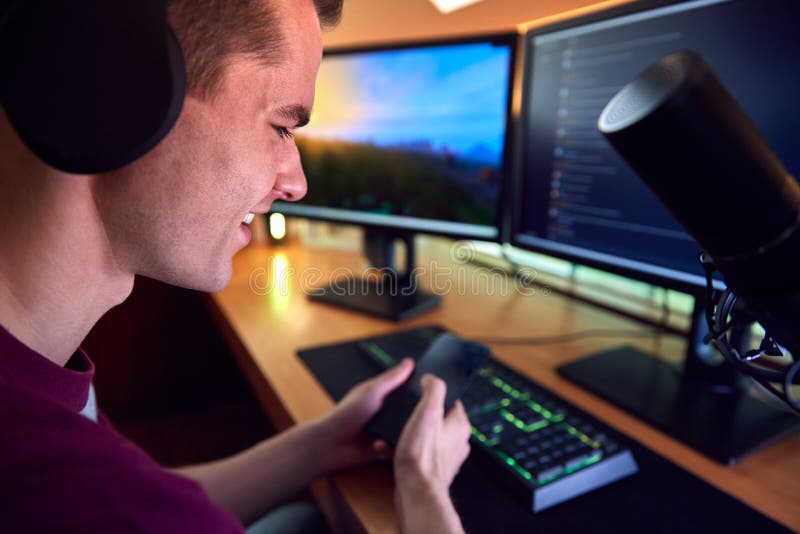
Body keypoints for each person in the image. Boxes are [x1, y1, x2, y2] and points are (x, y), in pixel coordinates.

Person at [0, 0, 472, 532]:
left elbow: (153, 496)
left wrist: (324, 442)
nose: (296, 183)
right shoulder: (47, 488)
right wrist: (423, 490)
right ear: (113, 94)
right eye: (281, 128)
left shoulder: (41, 389)